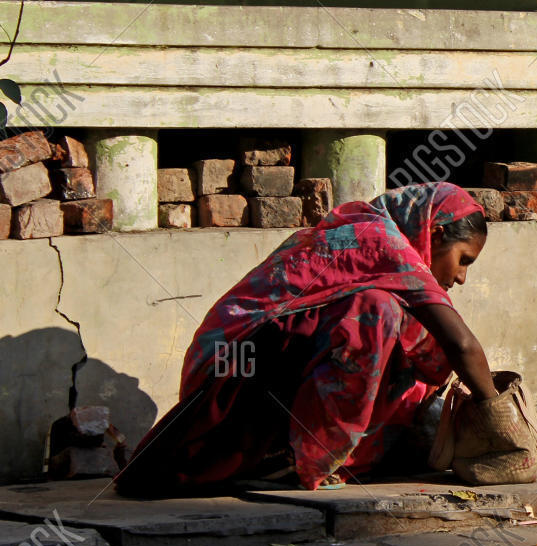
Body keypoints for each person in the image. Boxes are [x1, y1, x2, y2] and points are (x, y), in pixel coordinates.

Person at [116, 182, 502, 497]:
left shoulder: (384, 248)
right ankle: (296, 459)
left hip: (264, 373)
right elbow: (461, 345)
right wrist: (497, 416)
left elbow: (437, 360)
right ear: (433, 234)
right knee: (375, 310)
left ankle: (322, 453)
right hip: (232, 379)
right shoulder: (379, 241)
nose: (462, 277)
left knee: (398, 326)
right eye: (463, 260)